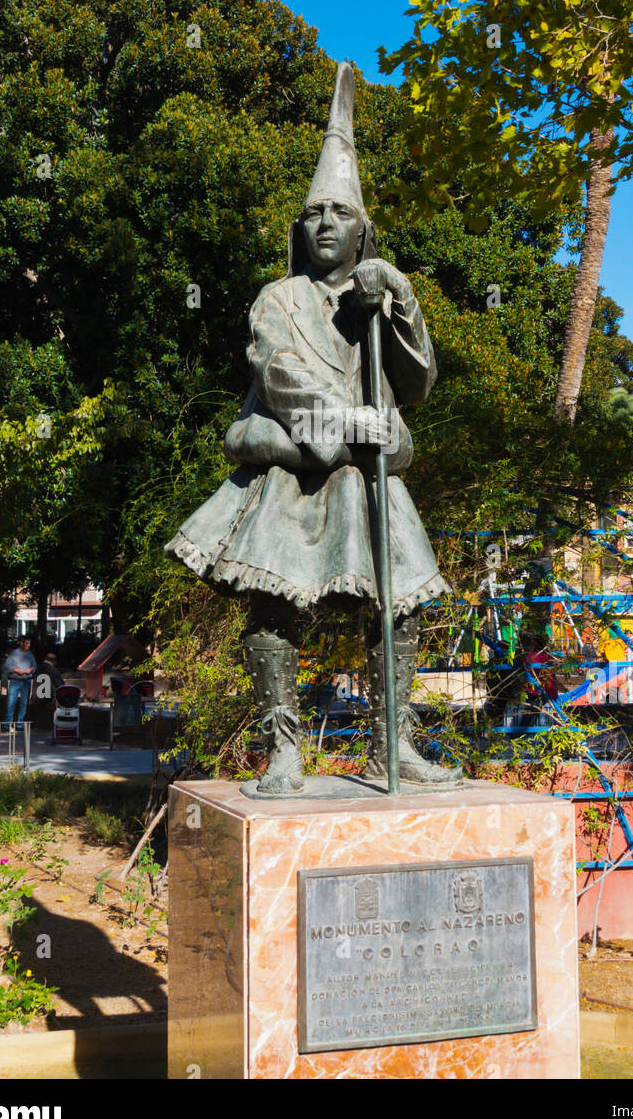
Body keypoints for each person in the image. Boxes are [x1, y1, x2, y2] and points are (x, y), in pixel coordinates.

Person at [165, 62, 460, 794]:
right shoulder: (279, 297)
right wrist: (348, 420)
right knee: (275, 609)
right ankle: (285, 750)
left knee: (400, 609)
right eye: (314, 215)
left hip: (367, 480)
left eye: (340, 215)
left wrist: (401, 298)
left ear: (362, 232)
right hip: (295, 474)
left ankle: (391, 747)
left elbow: (417, 383)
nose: (325, 225)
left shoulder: (378, 295)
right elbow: (279, 371)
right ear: (301, 230)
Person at [1, 636, 37, 727]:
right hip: (15, 680)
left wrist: (31, 669)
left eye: (29, 643)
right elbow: (7, 666)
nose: (28, 645)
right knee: (11, 703)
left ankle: (20, 724)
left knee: (24, 703)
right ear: (21, 643)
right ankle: (7, 724)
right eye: (27, 643)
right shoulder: (14, 654)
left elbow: (35, 666)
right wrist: (15, 670)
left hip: (27, 680)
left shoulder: (30, 654)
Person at [33, 652, 65, 729]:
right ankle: (48, 728)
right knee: (48, 714)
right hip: (48, 697)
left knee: (39, 714)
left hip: (37, 696)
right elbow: (60, 684)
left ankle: (39, 727)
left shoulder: (38, 668)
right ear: (54, 661)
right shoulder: (53, 670)